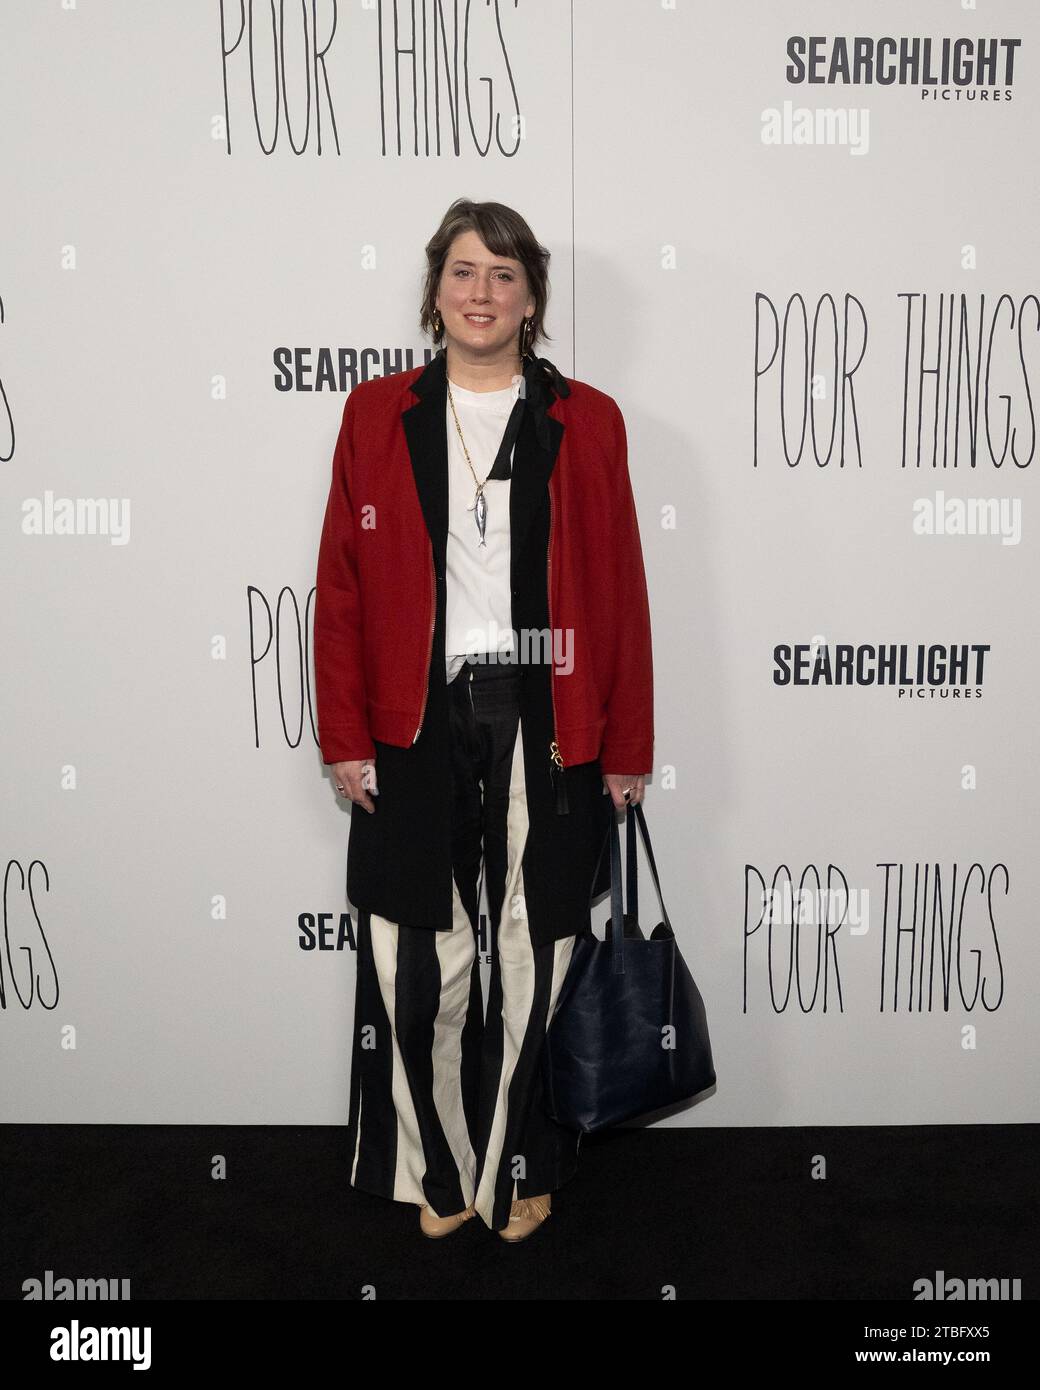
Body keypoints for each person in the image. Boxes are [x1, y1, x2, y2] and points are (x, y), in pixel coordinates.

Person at [314, 197, 653, 1243]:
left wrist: (627, 744)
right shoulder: (376, 414)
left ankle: (521, 1164)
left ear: (531, 299)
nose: (481, 292)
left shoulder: (588, 421)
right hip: (413, 717)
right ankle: (437, 1167)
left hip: (545, 710)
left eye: (504, 275)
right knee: (418, 956)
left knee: (538, 949)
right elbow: (340, 585)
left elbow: (620, 588)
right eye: (463, 271)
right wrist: (343, 734)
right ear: (434, 290)